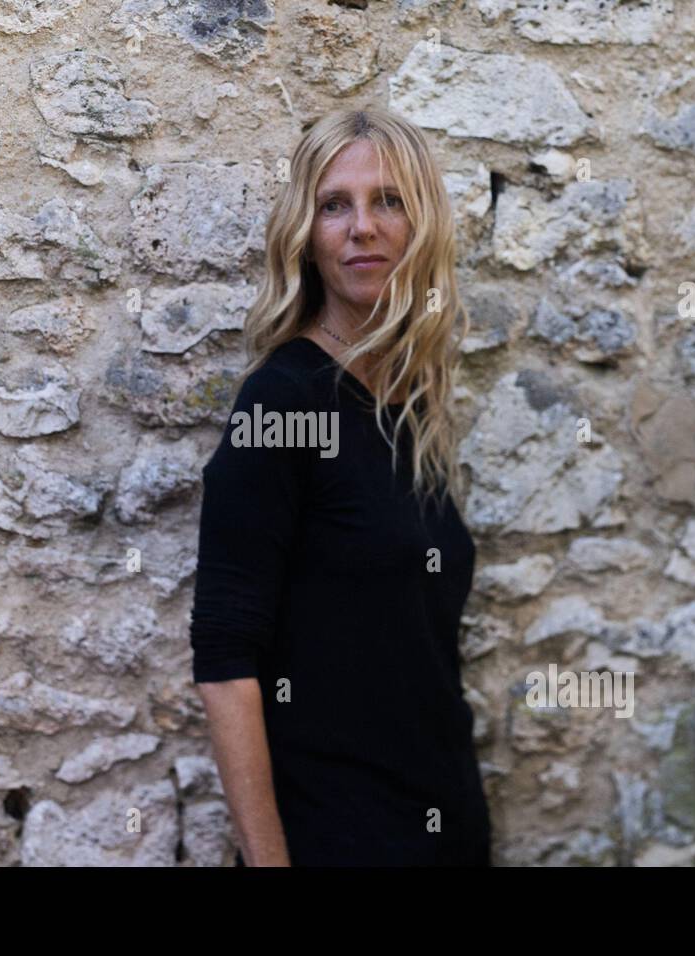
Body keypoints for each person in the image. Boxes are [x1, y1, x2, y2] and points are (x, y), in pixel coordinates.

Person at [189, 107, 490, 867]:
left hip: (444, 827)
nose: (363, 227)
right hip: (337, 840)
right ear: (307, 235)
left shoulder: (410, 403)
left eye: (388, 200)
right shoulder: (282, 403)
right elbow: (225, 660)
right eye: (335, 205)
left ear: (420, 224)